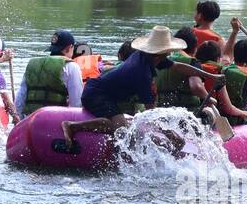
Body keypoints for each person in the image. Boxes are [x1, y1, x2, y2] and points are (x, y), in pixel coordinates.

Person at [58, 26, 204, 154]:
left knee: (124, 125)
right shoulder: (142, 74)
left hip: (105, 94)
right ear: (160, 53)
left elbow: (177, 66)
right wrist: (168, 133)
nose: (170, 54)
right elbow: (150, 114)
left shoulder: (146, 56)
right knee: (120, 128)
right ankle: (72, 126)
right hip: (95, 94)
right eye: (168, 51)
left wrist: (208, 75)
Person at [154, 27, 234, 138]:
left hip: (162, 115)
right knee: (209, 111)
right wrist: (209, 98)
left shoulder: (157, 63)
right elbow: (196, 86)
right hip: (187, 116)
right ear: (194, 49)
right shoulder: (192, 62)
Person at [16, 29, 84, 116]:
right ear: (69, 48)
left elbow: (19, 100)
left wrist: (18, 118)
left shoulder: (33, 64)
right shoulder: (71, 66)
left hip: (30, 118)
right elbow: (76, 103)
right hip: (55, 120)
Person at [195, 40, 247, 125]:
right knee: (209, 111)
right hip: (209, 111)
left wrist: (234, 32)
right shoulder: (218, 74)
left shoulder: (191, 68)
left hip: (192, 107)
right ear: (217, 59)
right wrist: (245, 113)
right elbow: (228, 108)